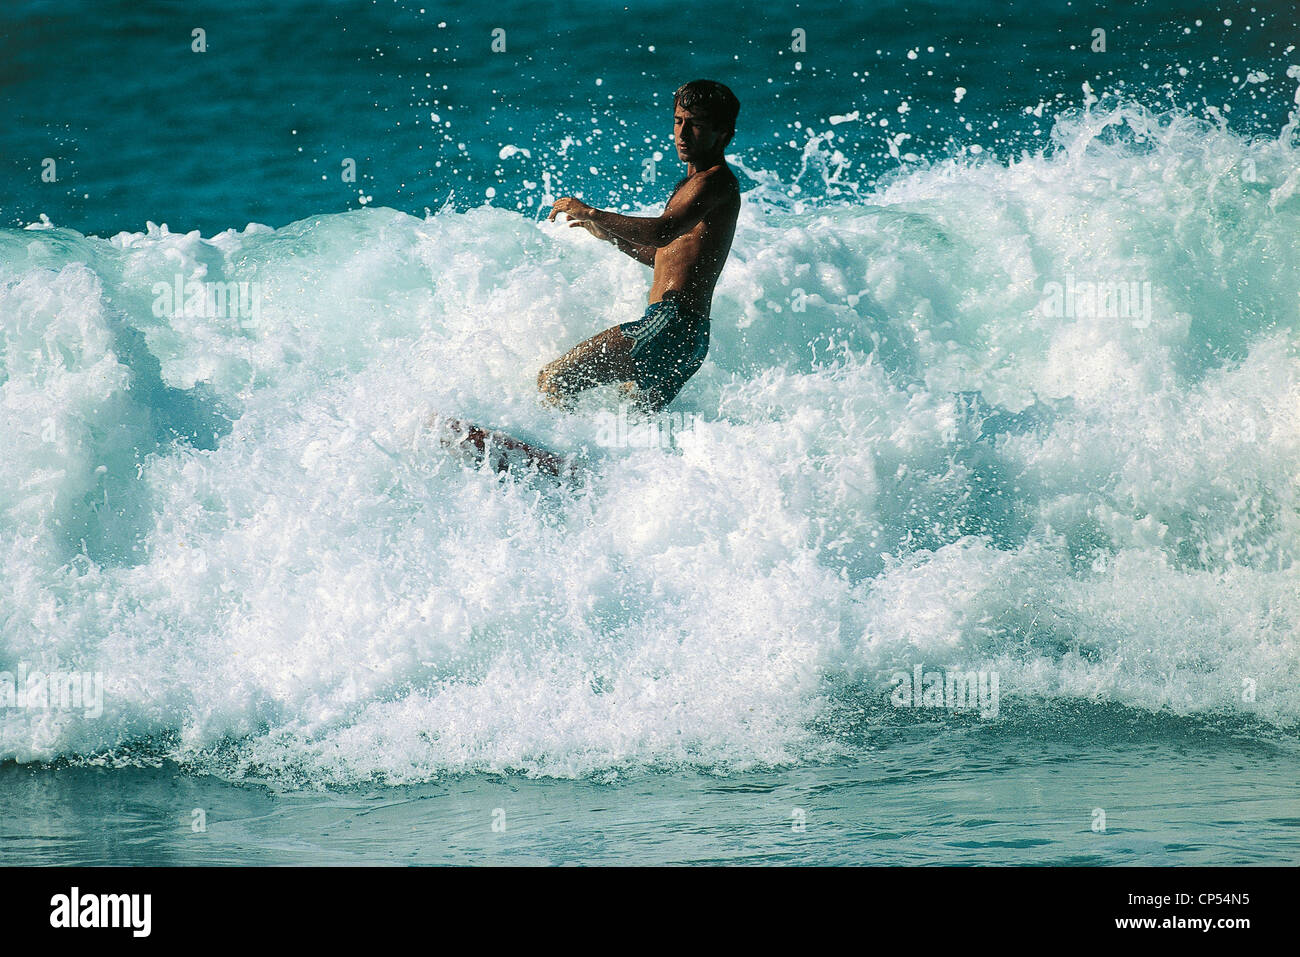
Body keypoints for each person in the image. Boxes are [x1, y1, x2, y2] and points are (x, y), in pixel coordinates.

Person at [540, 79, 741, 412]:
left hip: (668, 324)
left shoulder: (713, 181)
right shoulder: (697, 184)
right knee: (628, 427)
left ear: (724, 135)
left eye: (697, 125)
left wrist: (593, 212)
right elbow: (664, 255)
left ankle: (551, 451)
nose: (683, 134)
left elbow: (662, 232)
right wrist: (613, 236)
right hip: (688, 339)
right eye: (679, 121)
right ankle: (598, 462)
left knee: (552, 380)